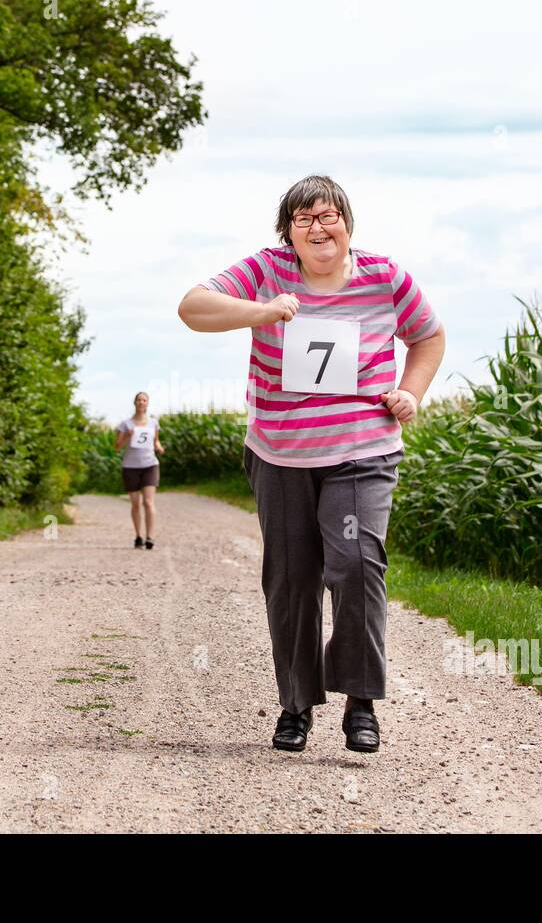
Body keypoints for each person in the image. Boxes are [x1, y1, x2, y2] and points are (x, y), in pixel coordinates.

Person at [177, 174, 446, 754]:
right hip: (281, 453)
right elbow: (192, 308)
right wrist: (263, 310)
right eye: (304, 220)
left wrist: (412, 392)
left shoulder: (386, 277)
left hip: (363, 447)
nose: (319, 227)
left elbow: (428, 337)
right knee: (292, 580)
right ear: (287, 234)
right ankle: (296, 704)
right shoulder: (267, 271)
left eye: (330, 217)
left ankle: (360, 700)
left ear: (348, 225)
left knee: (354, 565)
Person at [113, 391, 165, 549]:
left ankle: (150, 537)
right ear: (134, 403)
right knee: (136, 503)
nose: (141, 402)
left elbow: (156, 441)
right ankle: (138, 536)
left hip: (150, 465)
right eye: (139, 400)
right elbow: (117, 447)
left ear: (147, 403)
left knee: (148, 502)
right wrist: (127, 436)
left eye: (144, 400)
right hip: (130, 467)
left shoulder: (153, 423)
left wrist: (160, 448)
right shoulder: (126, 424)